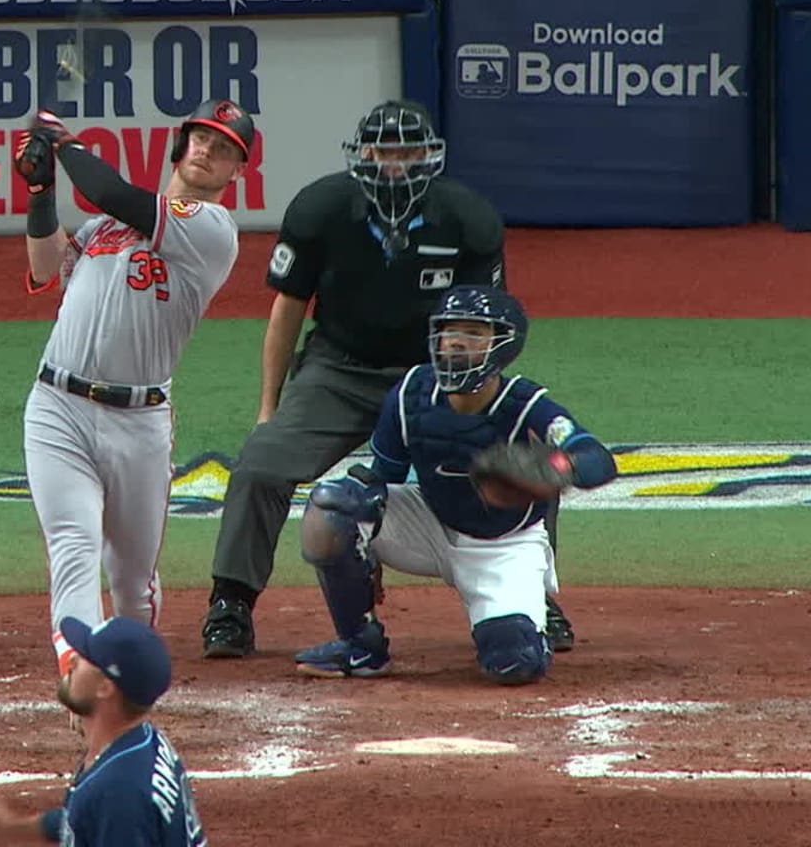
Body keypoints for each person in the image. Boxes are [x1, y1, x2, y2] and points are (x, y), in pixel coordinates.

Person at [200, 99, 577, 659]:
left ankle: (536, 595)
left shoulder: (468, 218)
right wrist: (268, 407)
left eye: (407, 152)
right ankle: (230, 601)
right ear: (362, 155)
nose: (394, 164)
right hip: (339, 369)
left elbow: (485, 324)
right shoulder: (320, 208)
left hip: (437, 377)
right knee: (260, 462)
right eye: (383, 151)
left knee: (517, 457)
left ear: (429, 157)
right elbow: (288, 311)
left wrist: (479, 399)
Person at [14, 99, 257, 679]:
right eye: (201, 138)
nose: (207, 151)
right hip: (57, 407)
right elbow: (46, 267)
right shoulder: (102, 230)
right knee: (73, 543)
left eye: (224, 148)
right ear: (181, 144)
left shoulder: (212, 230)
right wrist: (42, 189)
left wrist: (64, 143)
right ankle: (79, 668)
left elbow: (112, 192)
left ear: (237, 172)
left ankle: (131, 672)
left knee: (131, 583)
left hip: (140, 423)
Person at [290, 285, 618, 685]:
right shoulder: (412, 393)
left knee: (514, 664)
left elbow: (597, 458)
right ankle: (362, 648)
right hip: (427, 521)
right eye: (450, 332)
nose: (457, 343)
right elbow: (381, 479)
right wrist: (366, 549)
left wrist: (557, 466)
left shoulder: (524, 402)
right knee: (333, 507)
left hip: (502, 545)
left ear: (502, 347)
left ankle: (531, 628)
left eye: (474, 334)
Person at [0, 615, 208, 845]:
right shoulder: (142, 743)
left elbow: (102, 812)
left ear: (105, 687)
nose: (72, 658)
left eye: (86, 656)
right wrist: (11, 827)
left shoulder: (117, 793)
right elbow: (81, 820)